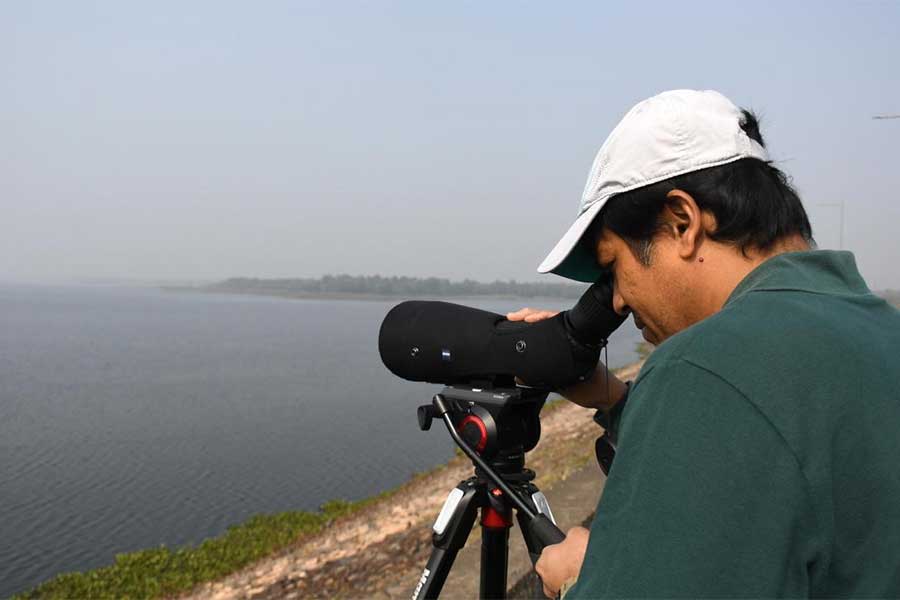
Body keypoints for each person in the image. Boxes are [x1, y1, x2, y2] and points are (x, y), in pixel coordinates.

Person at [508, 90, 900, 598]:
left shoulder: (702, 370)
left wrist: (588, 575)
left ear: (683, 223)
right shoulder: (878, 329)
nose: (619, 302)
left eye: (613, 268)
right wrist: (618, 401)